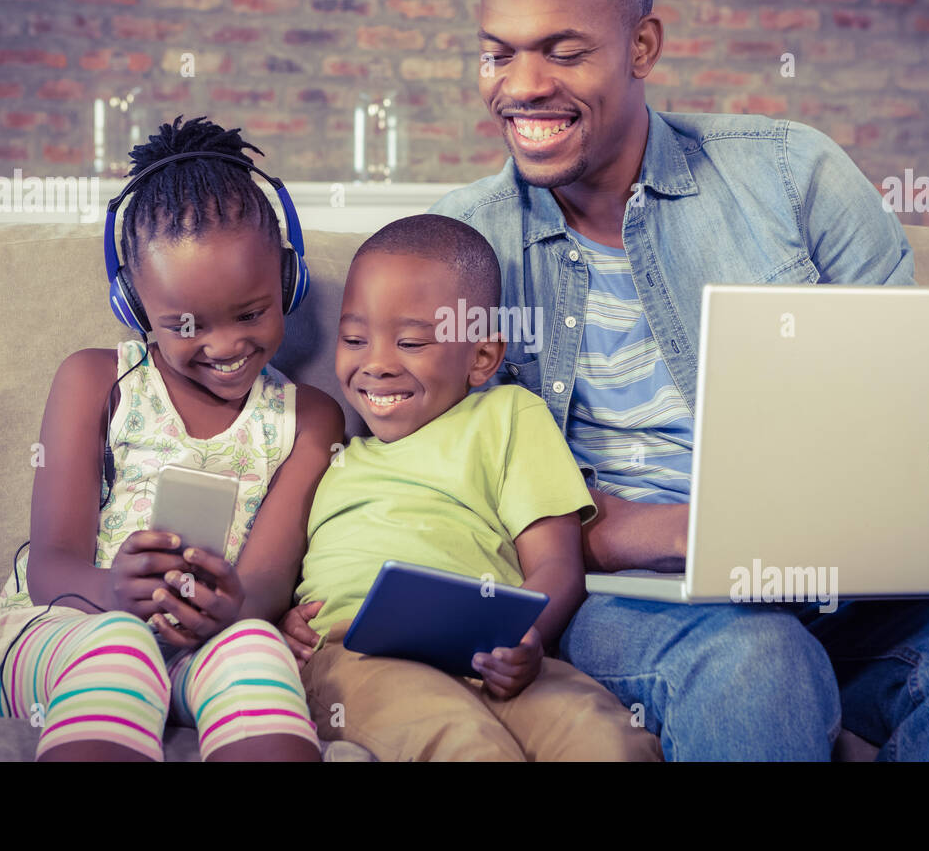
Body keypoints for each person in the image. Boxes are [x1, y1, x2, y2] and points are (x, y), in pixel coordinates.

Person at [416, 0, 929, 760]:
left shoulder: (792, 176)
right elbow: (444, 491)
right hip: (636, 607)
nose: (523, 84)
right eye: (498, 52)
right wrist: (631, 538)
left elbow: (916, 411)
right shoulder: (456, 248)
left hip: (836, 582)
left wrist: (688, 523)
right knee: (761, 660)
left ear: (643, 47)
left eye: (564, 50)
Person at [0, 116, 340, 762]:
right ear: (133, 304)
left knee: (256, 648)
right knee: (120, 647)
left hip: (208, 641)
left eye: (251, 313)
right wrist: (114, 593)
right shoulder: (94, 380)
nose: (226, 346)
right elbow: (52, 565)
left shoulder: (310, 419)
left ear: (288, 279)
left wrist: (232, 606)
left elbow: (268, 580)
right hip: (64, 632)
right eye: (186, 325)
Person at [276, 214, 662, 761]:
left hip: (491, 648)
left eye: (410, 342)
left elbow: (556, 565)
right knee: (464, 744)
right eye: (354, 338)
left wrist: (528, 635)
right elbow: (277, 566)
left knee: (605, 740)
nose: (377, 364)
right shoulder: (328, 451)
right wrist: (284, 621)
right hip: (359, 651)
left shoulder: (508, 416)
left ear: (481, 356)